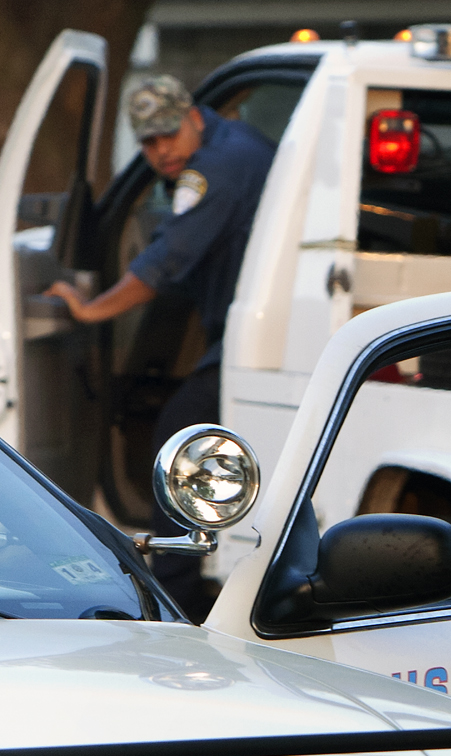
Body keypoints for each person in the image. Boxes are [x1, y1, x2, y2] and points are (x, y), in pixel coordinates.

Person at [44, 74, 276, 614]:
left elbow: (165, 263)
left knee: (181, 448)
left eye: (169, 134)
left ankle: (173, 599)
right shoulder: (232, 143)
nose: (161, 150)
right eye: (148, 142)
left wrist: (90, 309)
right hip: (248, 328)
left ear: (193, 117)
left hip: (250, 336)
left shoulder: (218, 166)